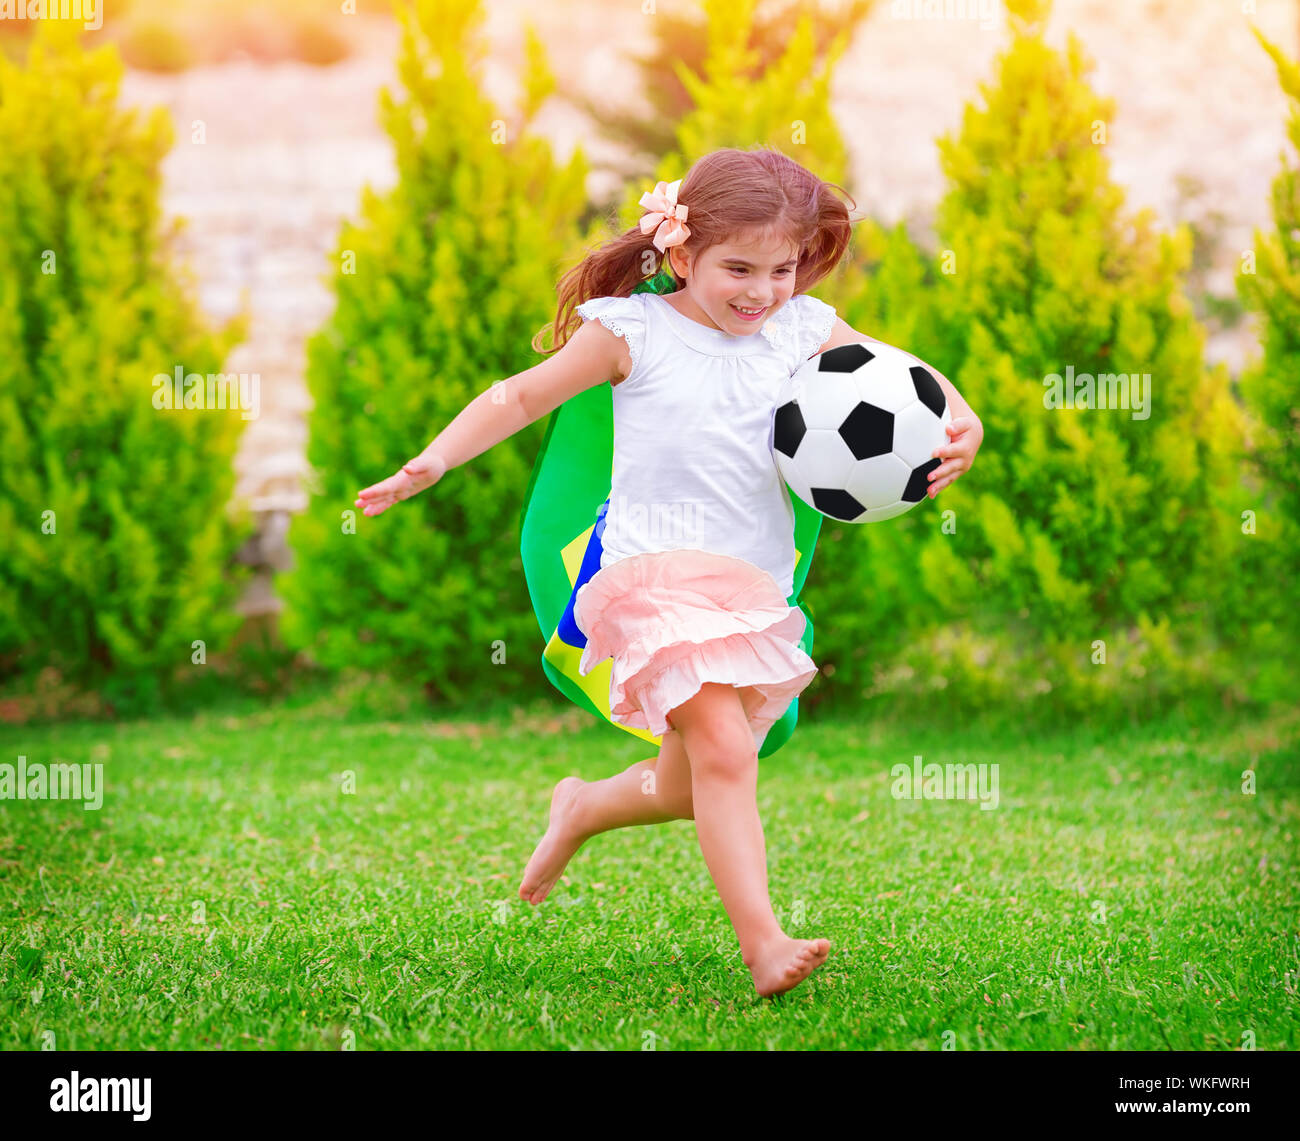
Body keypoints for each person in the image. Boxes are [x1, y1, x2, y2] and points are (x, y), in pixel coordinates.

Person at [354, 146, 984, 997]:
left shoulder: (801, 328)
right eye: (738, 267)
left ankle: (582, 805)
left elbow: (904, 376)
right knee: (726, 747)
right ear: (681, 253)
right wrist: (433, 461)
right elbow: (520, 395)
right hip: (649, 586)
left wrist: (962, 416)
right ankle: (763, 941)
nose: (760, 290)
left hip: (746, 593)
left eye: (781, 268)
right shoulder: (632, 331)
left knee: (691, 783)